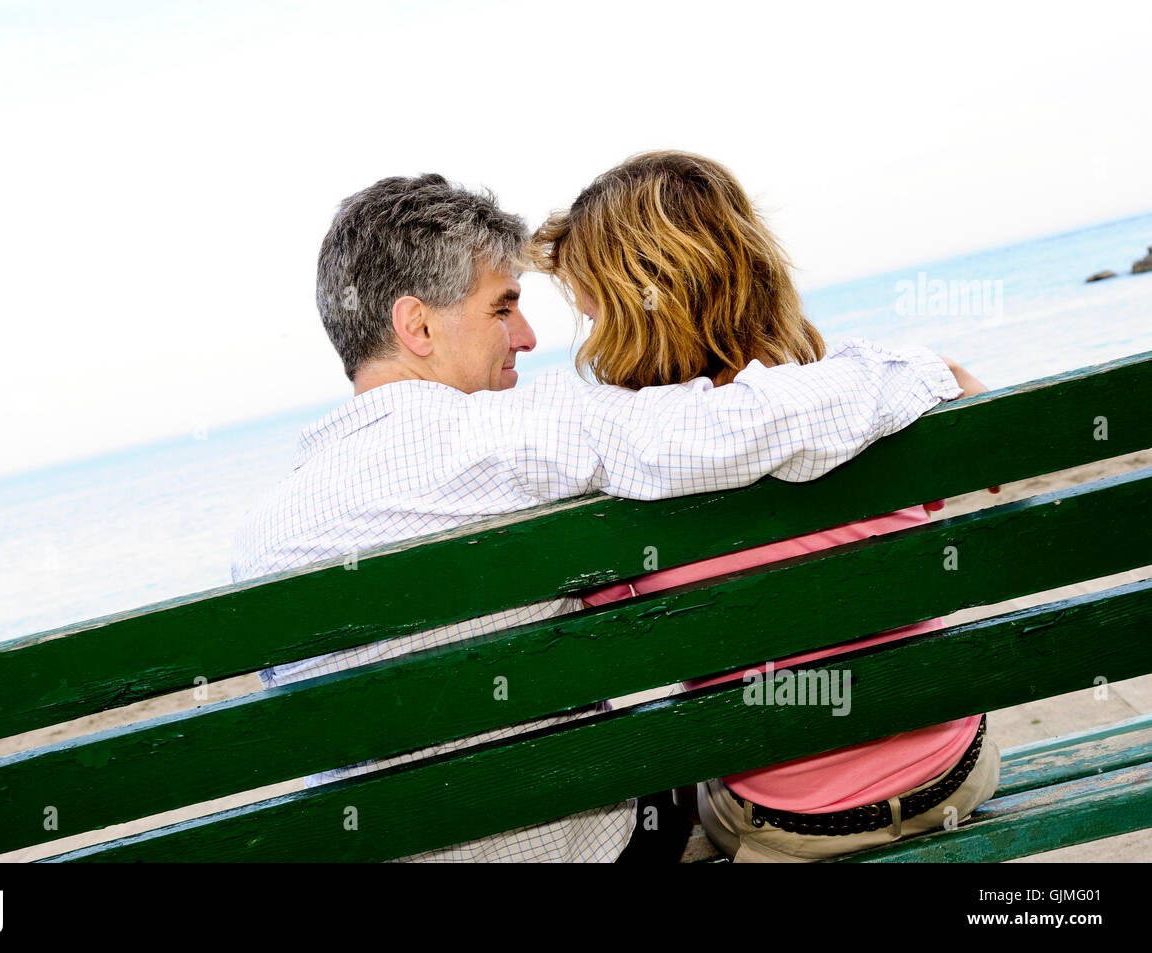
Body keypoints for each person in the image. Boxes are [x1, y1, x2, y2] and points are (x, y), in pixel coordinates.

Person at [230, 171, 972, 862]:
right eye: (502, 307)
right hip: (590, 846)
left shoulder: (259, 539)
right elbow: (740, 425)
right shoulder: (527, 428)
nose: (525, 337)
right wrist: (920, 372)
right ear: (417, 325)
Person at [532, 150, 1000, 863]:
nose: (587, 327)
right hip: (954, 771)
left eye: (588, 302)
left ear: (632, 305)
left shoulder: (624, 474)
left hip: (789, 825)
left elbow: (601, 646)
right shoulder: (878, 402)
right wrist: (927, 371)